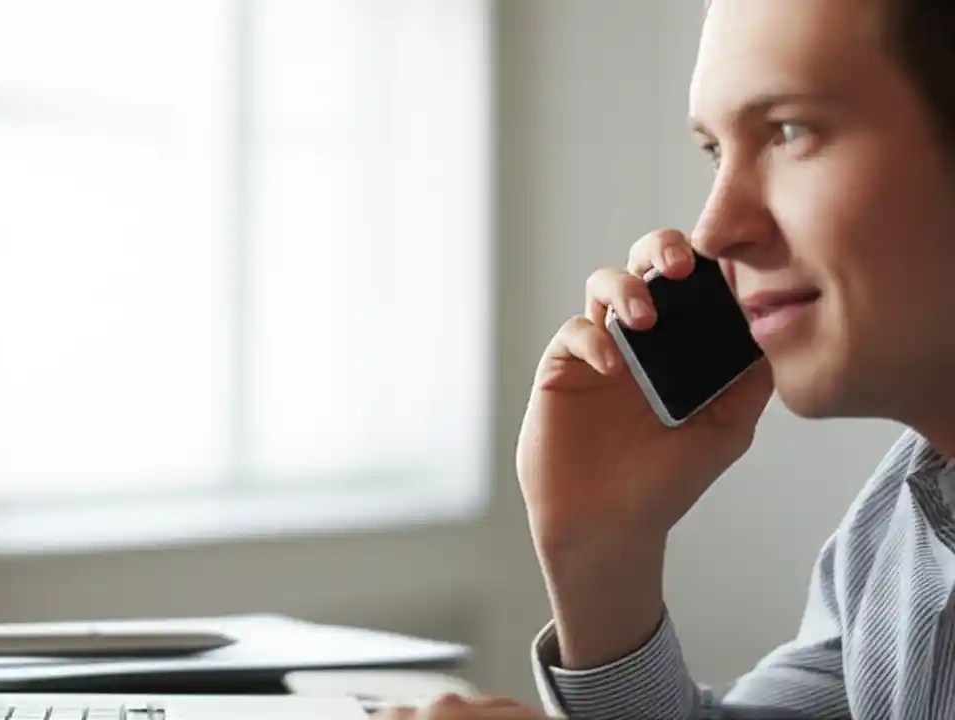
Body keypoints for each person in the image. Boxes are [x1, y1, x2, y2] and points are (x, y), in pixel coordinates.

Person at [379, 0, 955, 717]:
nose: (713, 231)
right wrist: (602, 556)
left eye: (790, 130)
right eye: (715, 151)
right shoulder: (897, 526)